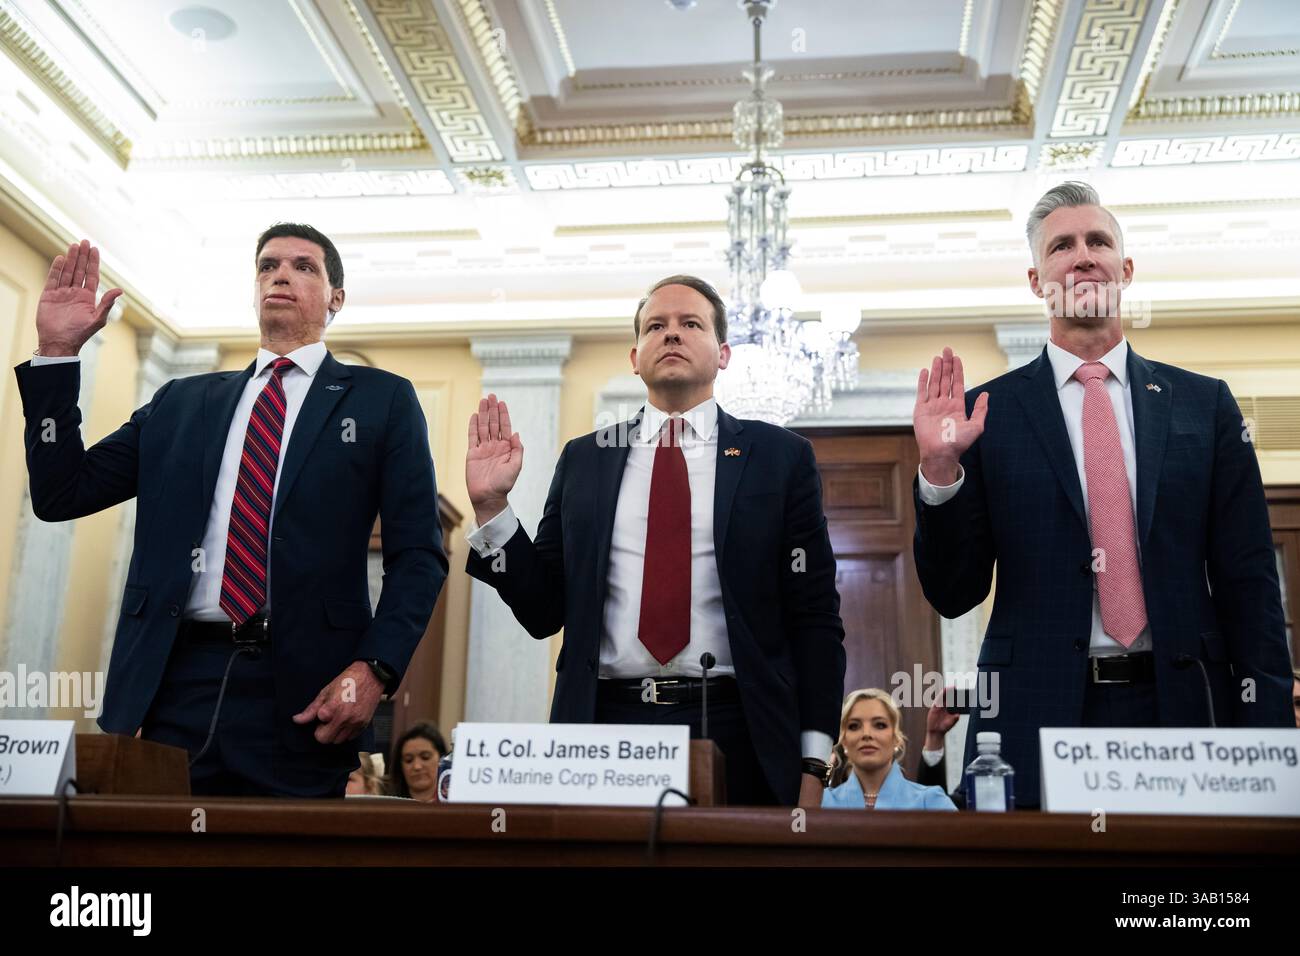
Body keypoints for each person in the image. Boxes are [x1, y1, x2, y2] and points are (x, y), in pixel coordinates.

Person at [14, 225, 448, 797]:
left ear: (335, 298)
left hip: (305, 691)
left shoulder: (382, 400)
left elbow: (417, 555)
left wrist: (376, 668)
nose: (281, 274)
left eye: (304, 266)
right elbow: (61, 493)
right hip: (172, 681)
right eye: (268, 265)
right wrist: (58, 356)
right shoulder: (180, 403)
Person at [911, 181, 1293, 807]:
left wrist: (1272, 740)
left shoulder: (1205, 406)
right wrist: (940, 470)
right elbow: (955, 594)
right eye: (1062, 245)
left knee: (1176, 905)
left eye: (1098, 241)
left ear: (1126, 268)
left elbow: (1250, 584)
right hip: (1034, 713)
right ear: (1037, 280)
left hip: (1185, 707)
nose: (1083, 255)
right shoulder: (987, 412)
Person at [464, 274, 846, 806]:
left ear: (724, 353)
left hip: (742, 725)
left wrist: (813, 760)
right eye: (656, 326)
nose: (672, 335)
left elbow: (815, 618)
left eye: (690, 324)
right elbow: (544, 610)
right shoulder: (585, 458)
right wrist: (492, 509)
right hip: (603, 726)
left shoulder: (779, 458)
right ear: (634, 355)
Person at [822, 689, 956, 810]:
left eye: (879, 725)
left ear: (896, 738)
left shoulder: (930, 801)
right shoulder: (821, 802)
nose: (866, 734)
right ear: (844, 740)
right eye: (854, 726)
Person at [387, 722, 447, 802]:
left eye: (425, 757)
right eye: (409, 760)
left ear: (441, 758)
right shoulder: (388, 806)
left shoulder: (456, 804)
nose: (417, 766)